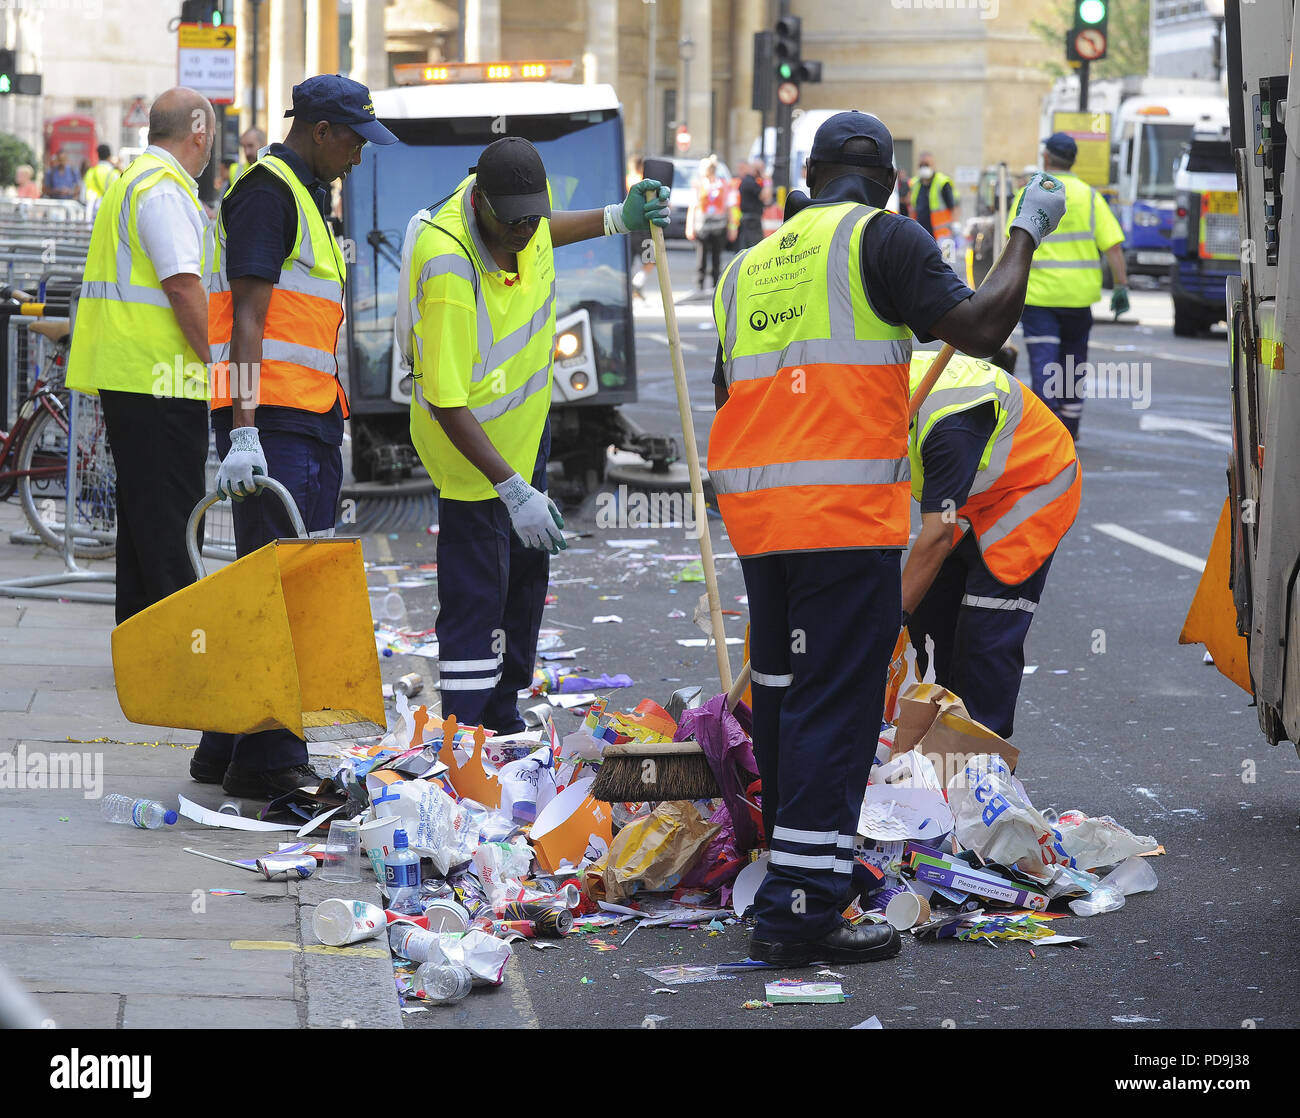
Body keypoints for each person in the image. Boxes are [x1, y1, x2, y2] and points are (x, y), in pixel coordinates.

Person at [708, 110, 1065, 965]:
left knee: (789, 700)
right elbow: (979, 328)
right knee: (835, 701)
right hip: (839, 519)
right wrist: (1025, 231)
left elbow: (735, 387)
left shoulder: (748, 266)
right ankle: (801, 909)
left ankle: (796, 877)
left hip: (760, 522)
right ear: (890, 180)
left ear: (810, 174)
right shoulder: (884, 238)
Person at [399, 136, 668, 733]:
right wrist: (511, 488)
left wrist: (616, 218)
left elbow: (550, 230)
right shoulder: (449, 265)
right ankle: (465, 736)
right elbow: (445, 401)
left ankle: (504, 717)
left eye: (535, 217)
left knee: (524, 587)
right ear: (482, 206)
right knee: (477, 601)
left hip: (526, 442)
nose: (529, 232)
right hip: (475, 464)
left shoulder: (521, 220)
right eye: (517, 222)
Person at [192, 75, 398, 799]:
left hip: (305, 419)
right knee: (283, 595)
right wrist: (242, 433)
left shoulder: (304, 198)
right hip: (272, 423)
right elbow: (246, 320)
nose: (360, 157)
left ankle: (224, 745)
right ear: (320, 131)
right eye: (355, 141)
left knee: (277, 585)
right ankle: (270, 764)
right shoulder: (267, 193)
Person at [65, 88, 216, 625]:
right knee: (174, 523)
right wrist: (219, 364)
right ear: (199, 133)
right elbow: (182, 286)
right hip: (163, 379)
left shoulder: (133, 180)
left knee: (143, 520)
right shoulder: (164, 190)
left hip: (133, 375)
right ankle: (182, 652)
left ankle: (139, 641)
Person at [901, 346, 1080, 739]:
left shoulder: (947, 422)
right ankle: (935, 740)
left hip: (1031, 486)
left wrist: (889, 617)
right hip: (971, 493)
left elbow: (936, 534)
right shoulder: (875, 385)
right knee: (930, 616)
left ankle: (982, 762)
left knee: (986, 628)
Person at [1011, 132, 1128, 439]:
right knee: (1073, 364)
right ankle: (1070, 428)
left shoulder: (1030, 193)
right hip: (1078, 300)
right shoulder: (1090, 196)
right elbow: (1113, 247)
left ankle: (1049, 432)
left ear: (1047, 158)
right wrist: (1121, 286)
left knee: (1045, 361)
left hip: (1039, 299)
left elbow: (1013, 245)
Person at [687, 154, 728, 292]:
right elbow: (692, 206)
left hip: (719, 226)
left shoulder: (722, 184)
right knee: (701, 258)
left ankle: (715, 287)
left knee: (717, 258)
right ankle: (700, 286)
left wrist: (732, 226)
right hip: (702, 226)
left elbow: (729, 204)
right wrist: (689, 226)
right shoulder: (698, 185)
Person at [626, 154, 655, 301]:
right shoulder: (643, 183)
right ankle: (636, 285)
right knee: (650, 260)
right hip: (643, 230)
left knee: (627, 262)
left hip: (626, 229)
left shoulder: (625, 180)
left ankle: (632, 287)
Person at [736, 159, 769, 251]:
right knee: (756, 249)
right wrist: (766, 180)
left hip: (749, 220)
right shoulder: (749, 181)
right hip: (751, 221)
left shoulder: (749, 181)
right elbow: (765, 196)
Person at [83, 144, 120, 223]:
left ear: (98, 155)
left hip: (91, 211)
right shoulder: (114, 173)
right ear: (109, 156)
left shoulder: (90, 172)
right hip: (108, 211)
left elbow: (83, 195)